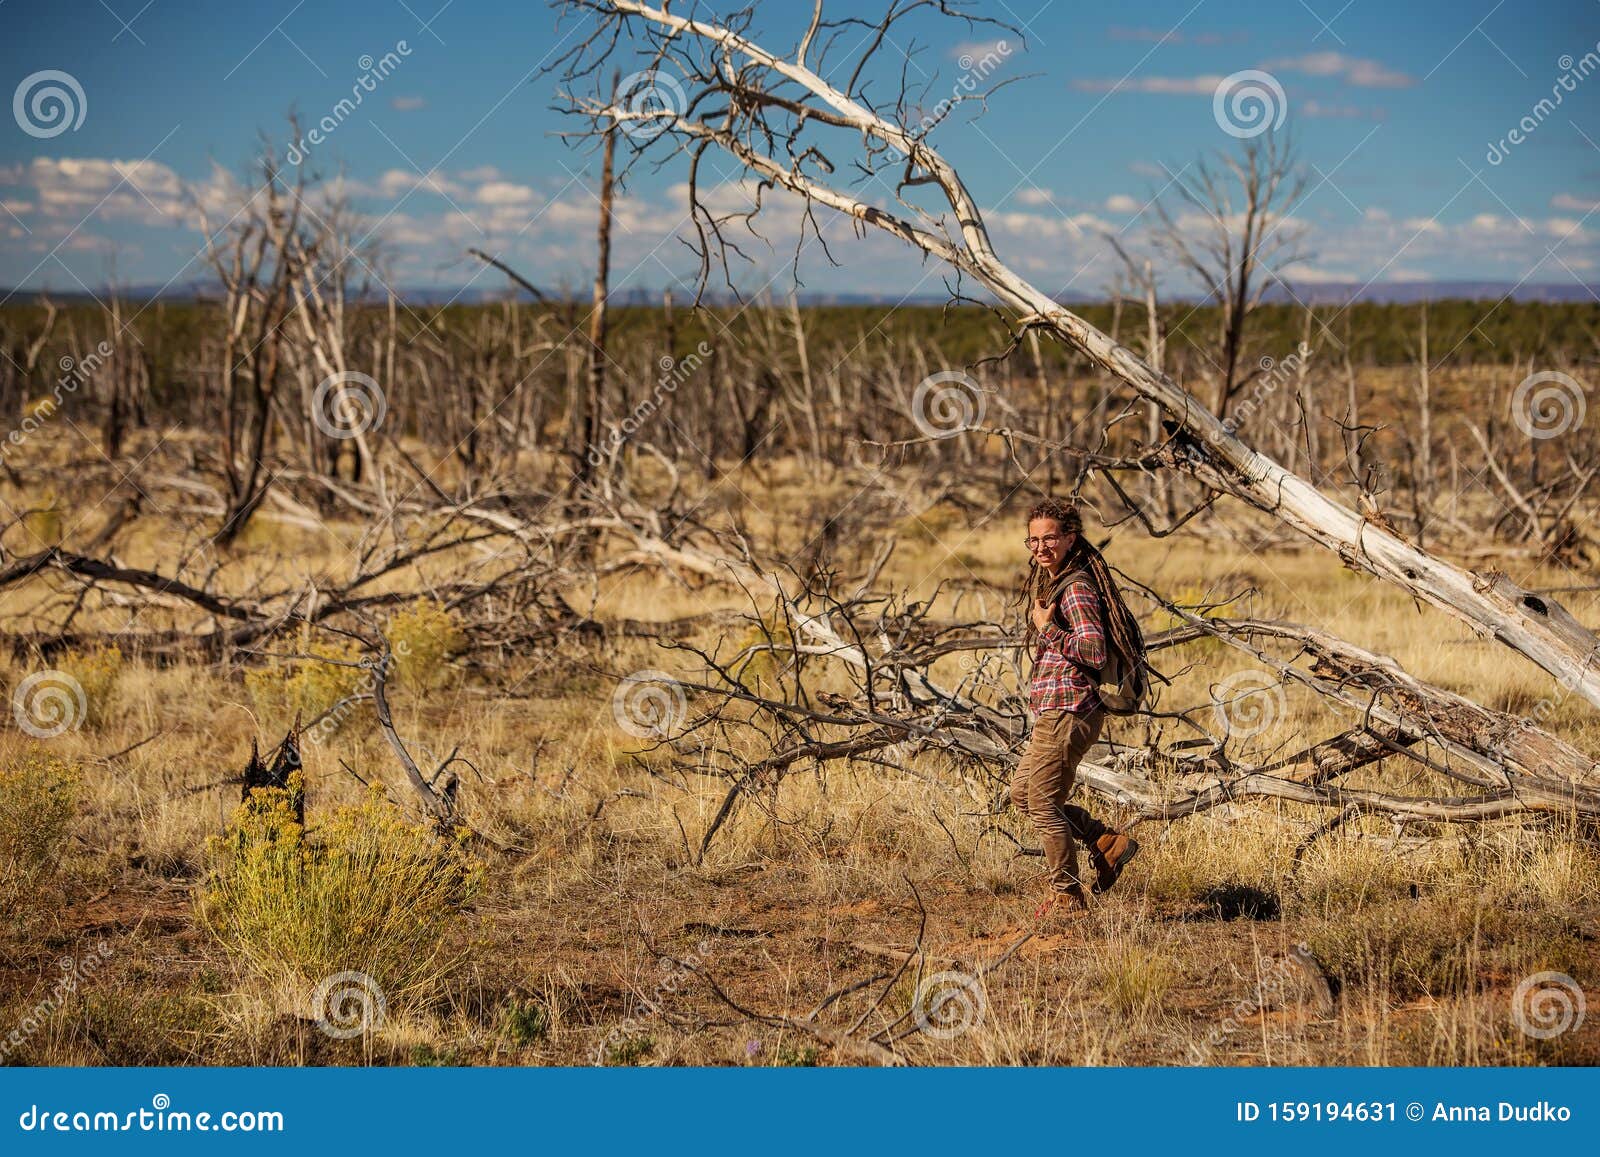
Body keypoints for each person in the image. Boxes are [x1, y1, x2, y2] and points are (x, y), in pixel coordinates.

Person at [1010, 498, 1140, 916]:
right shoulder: (1056, 582)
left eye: (1050, 537)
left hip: (1072, 710)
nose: (1040, 547)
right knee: (1021, 794)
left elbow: (1093, 651)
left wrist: (1047, 628)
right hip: (1054, 711)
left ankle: (1066, 895)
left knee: (1044, 804)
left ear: (1070, 537)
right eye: (1033, 539)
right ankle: (1105, 841)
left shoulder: (1077, 587)